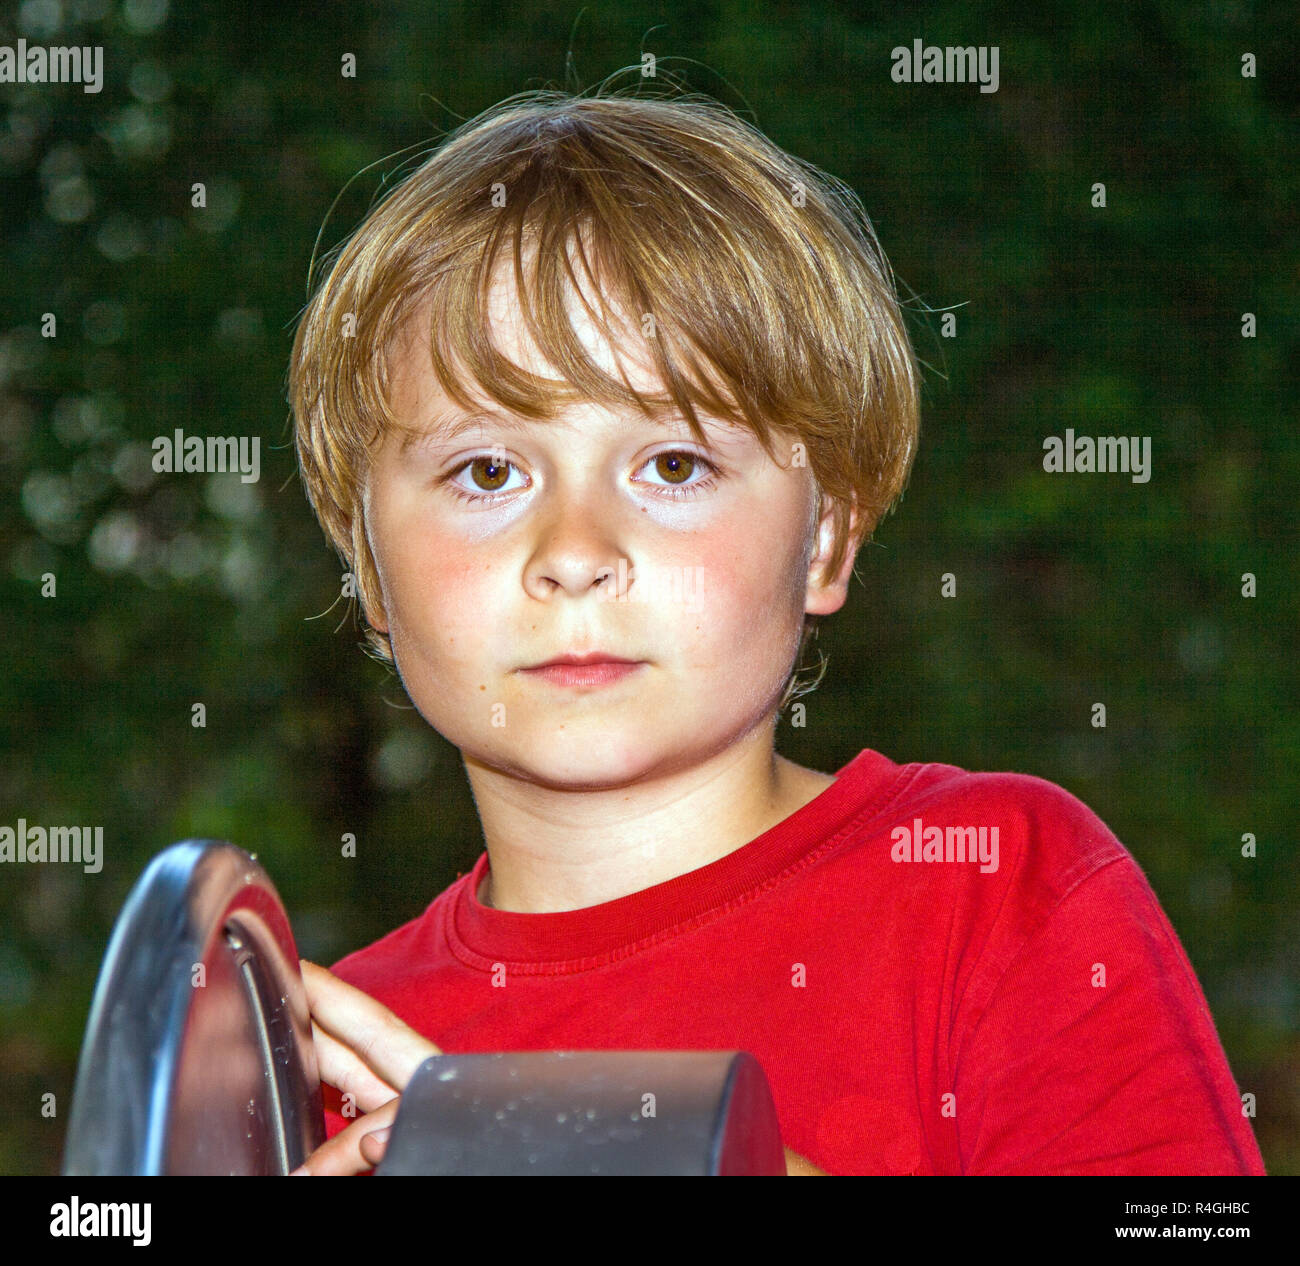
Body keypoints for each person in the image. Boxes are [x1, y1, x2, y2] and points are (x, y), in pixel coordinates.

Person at [284, 84, 1265, 1176]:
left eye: (672, 465)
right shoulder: (317, 1057)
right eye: (486, 471)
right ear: (368, 564)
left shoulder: (997, 889)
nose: (573, 549)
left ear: (824, 541)